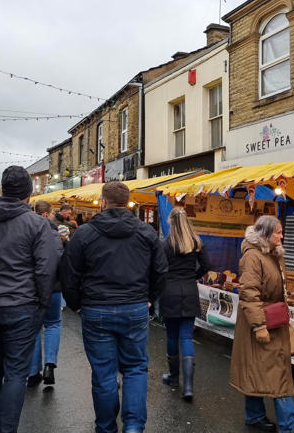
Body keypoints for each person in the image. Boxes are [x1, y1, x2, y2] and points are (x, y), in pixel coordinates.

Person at [60, 181, 167, 433]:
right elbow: (161, 271)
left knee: (104, 372)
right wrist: (149, 298)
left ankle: (106, 427)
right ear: (128, 203)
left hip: (97, 308)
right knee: (135, 368)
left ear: (103, 202)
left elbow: (69, 273)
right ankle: (133, 427)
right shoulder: (146, 232)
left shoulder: (84, 233)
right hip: (134, 306)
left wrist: (77, 305)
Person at [0, 166, 62, 433]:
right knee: (16, 373)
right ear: (28, 195)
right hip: (23, 306)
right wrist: (40, 302)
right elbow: (45, 269)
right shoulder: (38, 224)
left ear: (3, 190)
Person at [229, 215, 294, 433]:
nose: (282, 235)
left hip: (272, 320)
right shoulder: (253, 257)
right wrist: (259, 326)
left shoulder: (273, 254)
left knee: (257, 368)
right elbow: (249, 292)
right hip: (261, 322)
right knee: (276, 371)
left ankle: (255, 416)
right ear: (265, 234)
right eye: (277, 232)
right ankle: (290, 425)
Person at [160, 207, 210, 401]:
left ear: (171, 222)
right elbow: (207, 265)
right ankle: (188, 387)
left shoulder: (166, 244)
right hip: (190, 291)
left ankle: (174, 378)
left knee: (172, 335)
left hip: (170, 292)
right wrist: (192, 277)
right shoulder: (196, 242)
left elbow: (160, 268)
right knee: (186, 337)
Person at [27, 200, 64, 388]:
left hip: (32, 288)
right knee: (53, 324)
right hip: (54, 287)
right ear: (47, 214)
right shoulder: (56, 233)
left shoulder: (28, 231)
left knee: (34, 328)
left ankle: (33, 372)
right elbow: (60, 260)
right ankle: (50, 364)